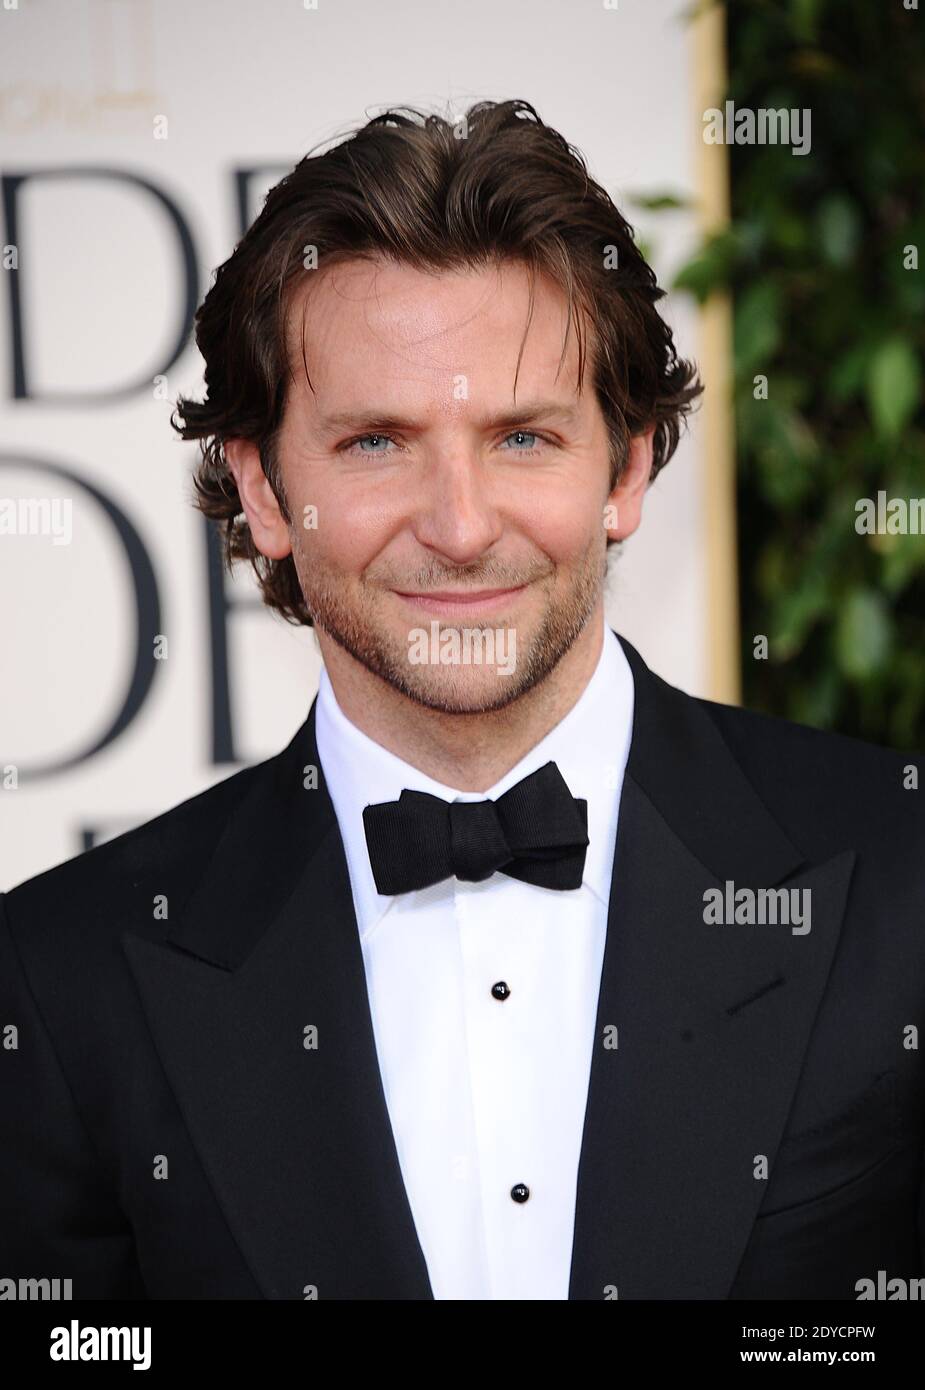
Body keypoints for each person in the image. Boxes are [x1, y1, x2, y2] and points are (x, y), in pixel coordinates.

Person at [1, 100, 922, 1301]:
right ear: (264, 489)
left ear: (629, 464)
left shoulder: (898, 878)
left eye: (525, 438)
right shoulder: (61, 981)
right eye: (378, 443)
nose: (461, 524)